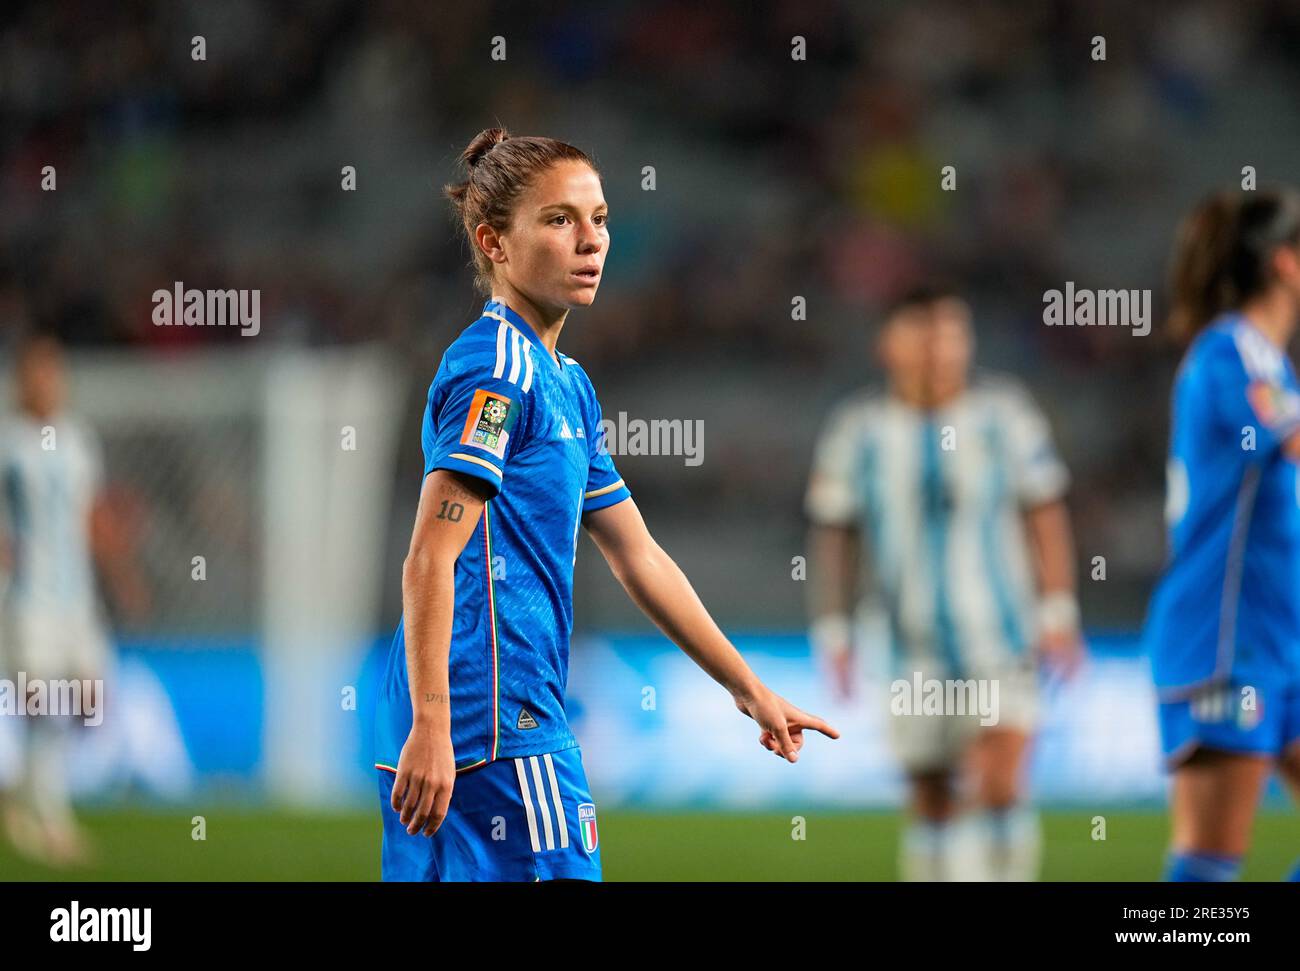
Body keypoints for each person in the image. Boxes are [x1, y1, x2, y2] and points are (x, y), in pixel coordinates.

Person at [373, 128, 838, 882]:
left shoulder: (567, 383)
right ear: (494, 242)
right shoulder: (497, 371)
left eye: (601, 218)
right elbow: (431, 552)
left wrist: (749, 690)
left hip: (470, 712)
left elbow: (636, 554)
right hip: (493, 712)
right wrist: (434, 722)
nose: (591, 241)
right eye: (559, 220)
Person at [805, 286, 1081, 880]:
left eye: (953, 333)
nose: (940, 347)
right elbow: (835, 535)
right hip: (908, 645)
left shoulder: (1004, 415)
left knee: (1000, 781)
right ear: (889, 344)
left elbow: (1045, 513)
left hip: (1002, 636)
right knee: (930, 798)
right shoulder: (859, 430)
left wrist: (1059, 613)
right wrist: (834, 629)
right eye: (924, 332)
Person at [1145, 186, 1300, 882]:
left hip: (1280, 636)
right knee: (1207, 875)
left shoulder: (1271, 362)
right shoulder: (1231, 352)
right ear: (1286, 263)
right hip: (1225, 638)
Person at [0, 333, 115, 866]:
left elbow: (90, 516)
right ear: (22, 381)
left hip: (78, 599)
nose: (46, 382)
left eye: (53, 372)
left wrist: (121, 577)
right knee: (42, 703)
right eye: (36, 372)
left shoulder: (77, 440)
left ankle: (20, 794)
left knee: (91, 698)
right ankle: (51, 819)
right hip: (29, 601)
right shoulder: (9, 443)